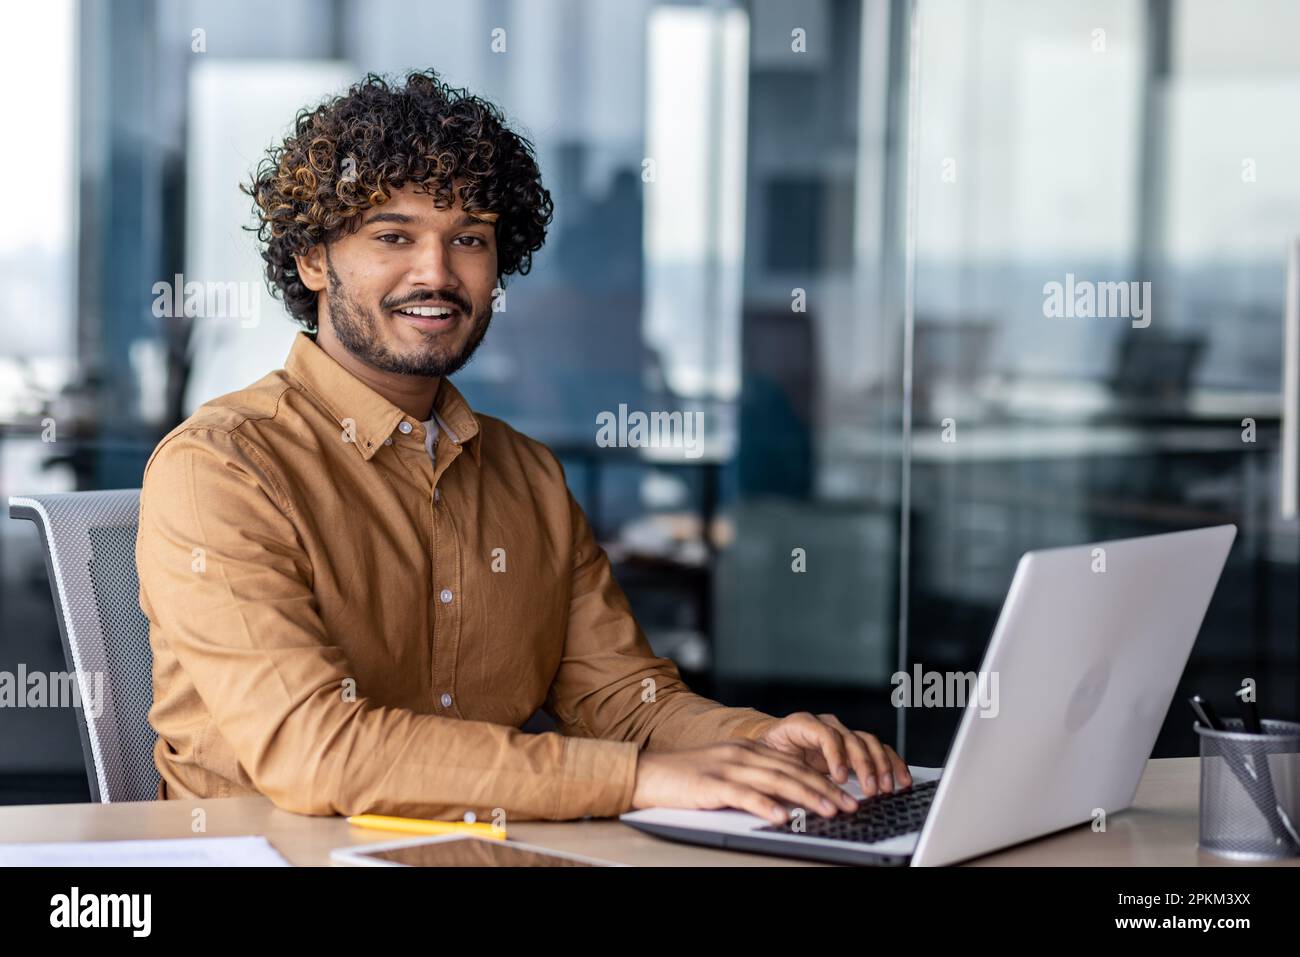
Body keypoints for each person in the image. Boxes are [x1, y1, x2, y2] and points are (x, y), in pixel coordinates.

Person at [137, 69, 910, 826]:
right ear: (313, 260)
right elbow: (318, 750)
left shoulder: (526, 475)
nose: (436, 273)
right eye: (393, 235)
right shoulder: (222, 470)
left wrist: (753, 741)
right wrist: (638, 779)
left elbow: (619, 699)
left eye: (468, 239)